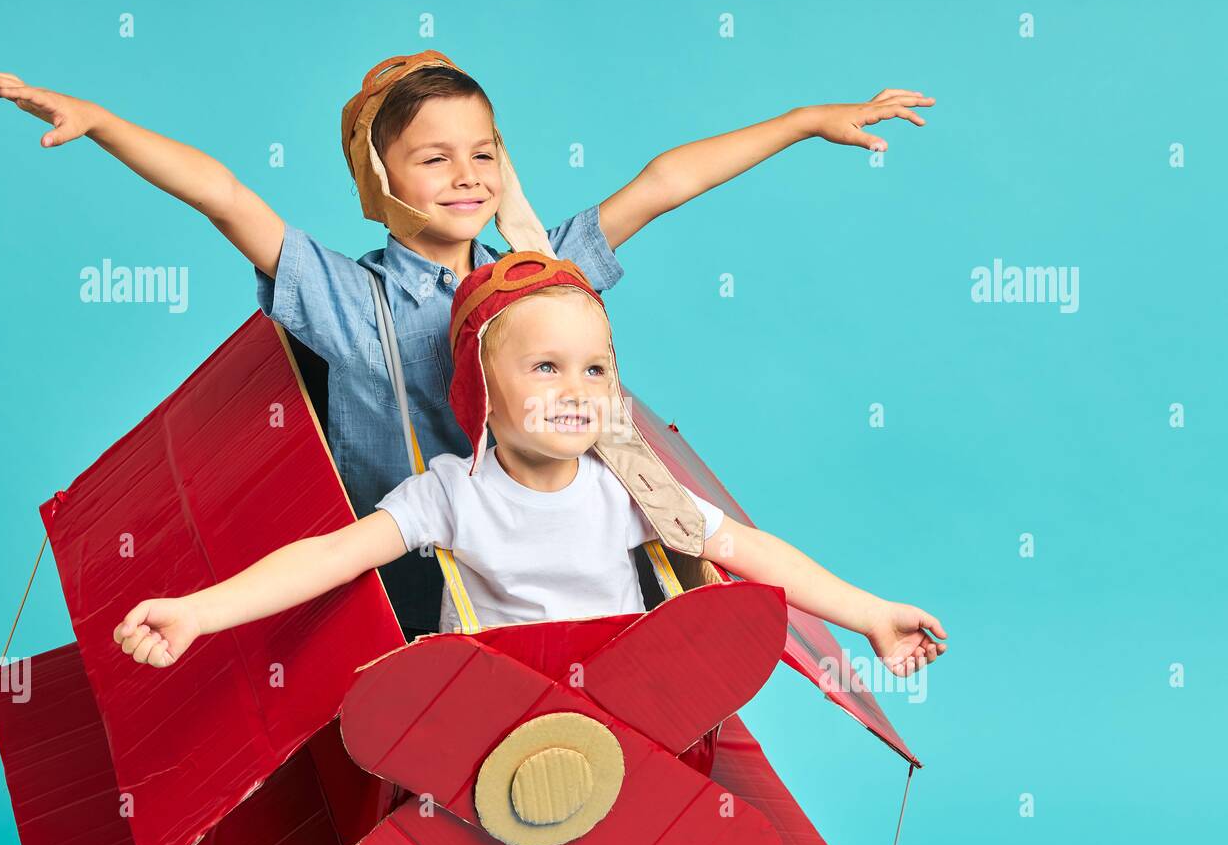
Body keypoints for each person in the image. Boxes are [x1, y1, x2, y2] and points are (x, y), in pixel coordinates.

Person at [0, 50, 934, 636]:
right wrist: (101, 123)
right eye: (433, 157)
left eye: (484, 153)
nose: (466, 175)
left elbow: (663, 182)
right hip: (401, 567)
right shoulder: (349, 299)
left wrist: (807, 122)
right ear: (380, 174)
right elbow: (226, 195)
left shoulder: (536, 266)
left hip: (559, 562)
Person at [113, 252, 948, 677]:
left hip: (619, 698)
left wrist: (868, 614)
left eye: (595, 369)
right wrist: (199, 612)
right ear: (479, 389)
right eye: (544, 368)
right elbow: (328, 555)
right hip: (490, 712)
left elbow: (753, 553)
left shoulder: (633, 483)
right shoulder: (451, 493)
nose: (576, 389)